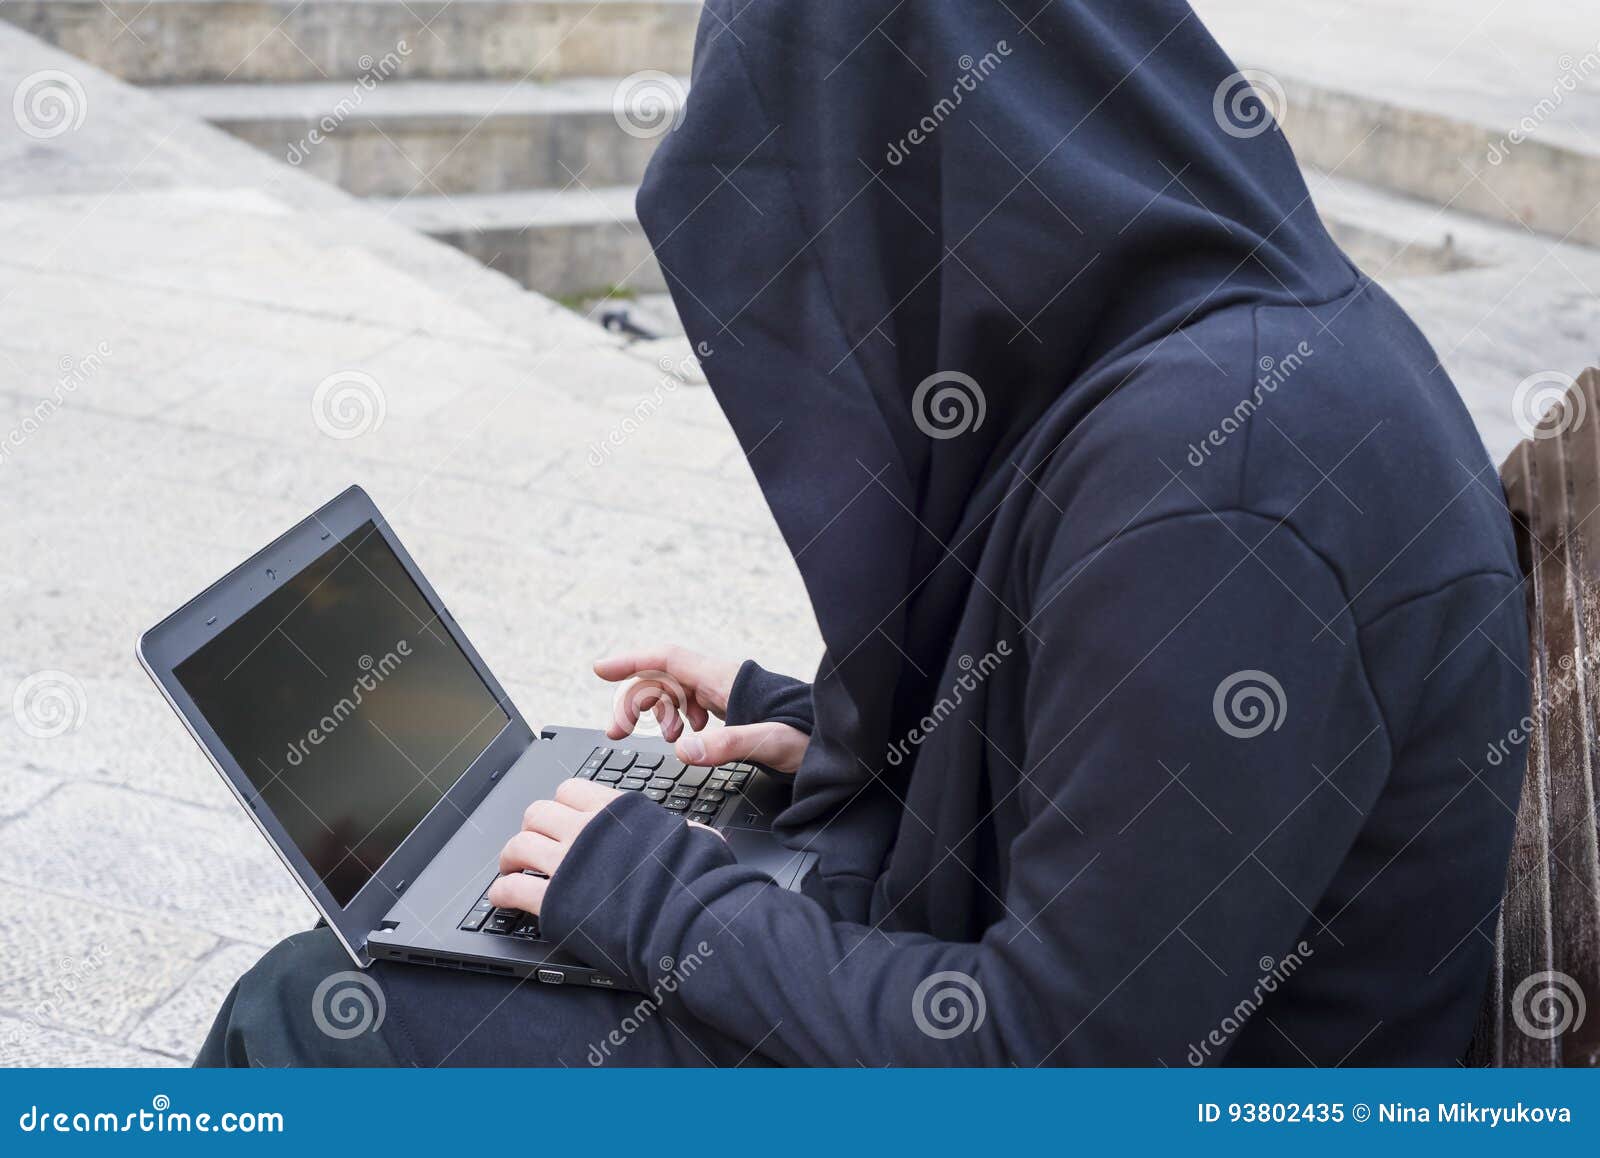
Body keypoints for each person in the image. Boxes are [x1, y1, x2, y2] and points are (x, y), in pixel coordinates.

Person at [199, 0, 1529, 1067]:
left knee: (317, 1013)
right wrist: (856, 730)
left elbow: (1049, 1063)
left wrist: (656, 893)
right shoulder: (1224, 350)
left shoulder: (1224, 490)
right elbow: (1126, 780)